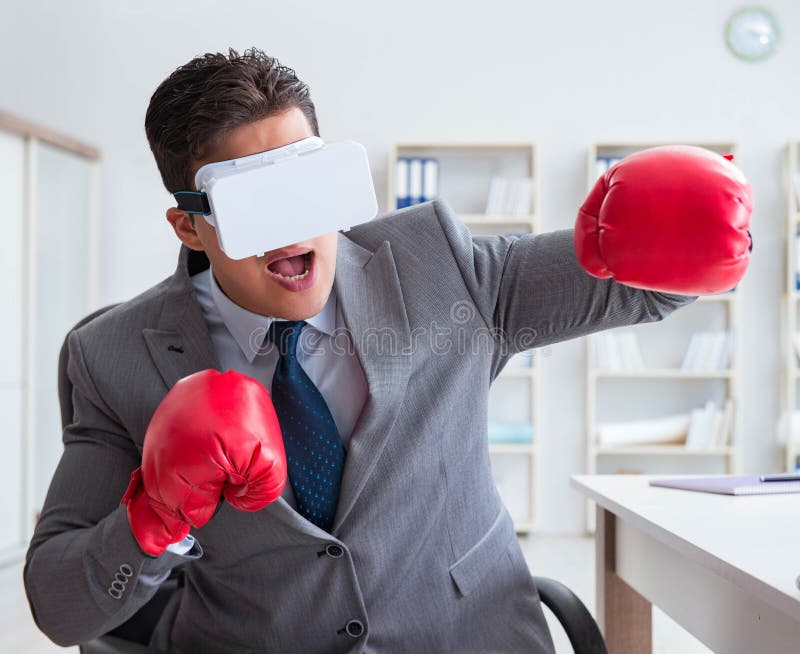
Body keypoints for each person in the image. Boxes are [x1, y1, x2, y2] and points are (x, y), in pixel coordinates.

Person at [23, 47, 751, 653]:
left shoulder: (439, 267)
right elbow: (59, 605)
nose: (293, 230)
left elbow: (643, 285)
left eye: (307, 186)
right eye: (255, 204)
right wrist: (155, 519)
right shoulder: (113, 356)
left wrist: (676, 231)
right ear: (189, 227)